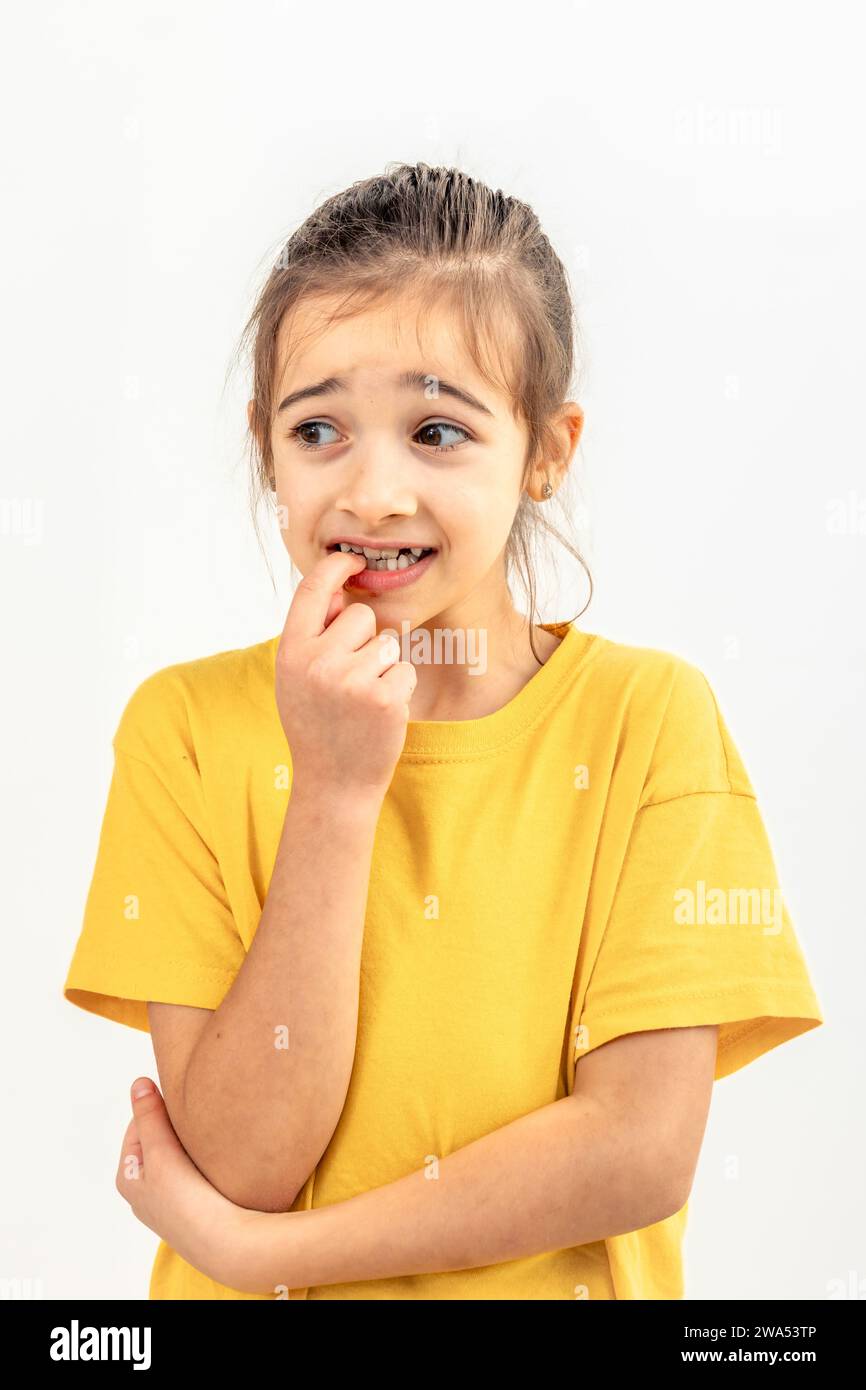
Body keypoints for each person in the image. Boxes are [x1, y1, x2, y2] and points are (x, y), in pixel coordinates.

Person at [64, 162, 824, 1300]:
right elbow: (240, 1162)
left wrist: (266, 1257)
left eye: (435, 429)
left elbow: (635, 1152)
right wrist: (330, 790)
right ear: (266, 450)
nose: (371, 490)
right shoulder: (183, 729)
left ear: (545, 451)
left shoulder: (646, 722)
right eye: (317, 427)